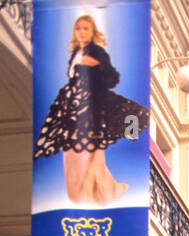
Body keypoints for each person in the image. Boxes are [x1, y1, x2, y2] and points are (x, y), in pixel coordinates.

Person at [34, 13, 149, 205]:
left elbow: (113, 78)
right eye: (78, 28)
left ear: (92, 32)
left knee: (91, 149)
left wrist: (97, 65)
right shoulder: (76, 54)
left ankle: (92, 192)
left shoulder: (97, 52)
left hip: (91, 106)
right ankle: (106, 190)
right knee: (74, 150)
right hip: (72, 105)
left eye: (85, 28)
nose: (81, 32)